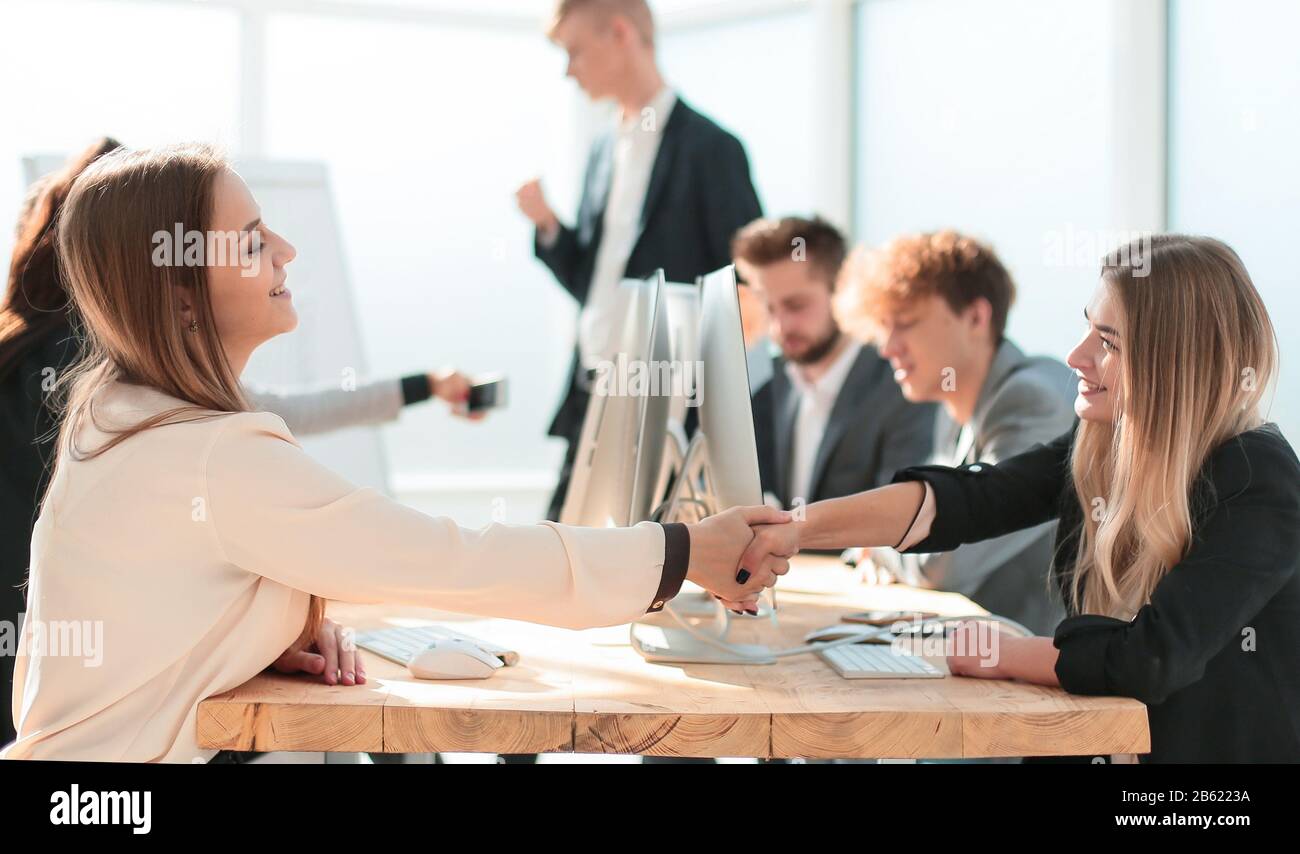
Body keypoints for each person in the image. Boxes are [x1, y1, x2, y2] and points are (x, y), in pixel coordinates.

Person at [0, 144, 791, 763]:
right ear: (176, 289)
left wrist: (275, 629)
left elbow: (170, 604)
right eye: (250, 239)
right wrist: (683, 552)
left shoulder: (113, 416)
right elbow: (453, 561)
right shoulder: (206, 455)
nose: (286, 250)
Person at [742, 234, 1300, 763]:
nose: (1075, 357)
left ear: (1174, 361)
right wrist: (795, 526)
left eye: (1107, 343)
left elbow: (1150, 657)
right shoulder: (1100, 447)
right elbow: (972, 498)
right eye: (1087, 330)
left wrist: (995, 651)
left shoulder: (1258, 477)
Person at [0, 140, 482, 746]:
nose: (281, 254)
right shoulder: (107, 382)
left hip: (54, 671)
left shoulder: (67, 366)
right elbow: (279, 421)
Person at [516, 0, 763, 522]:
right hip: (591, 386)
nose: (568, 70)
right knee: (560, 548)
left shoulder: (712, 150)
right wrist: (550, 229)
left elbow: (744, 283)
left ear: (621, 34)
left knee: (650, 562)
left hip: (664, 399)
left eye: (575, 51)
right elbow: (592, 282)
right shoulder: (603, 151)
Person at [832, 230, 1077, 634]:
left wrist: (879, 549)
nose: (887, 347)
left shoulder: (1032, 399)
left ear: (977, 317)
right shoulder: (953, 405)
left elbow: (945, 559)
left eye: (906, 324)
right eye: (883, 327)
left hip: (1037, 665)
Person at [732, 217, 935, 523]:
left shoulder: (904, 387)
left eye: (796, 306)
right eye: (769, 308)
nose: (780, 327)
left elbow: (901, 524)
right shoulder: (772, 384)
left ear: (842, 291)